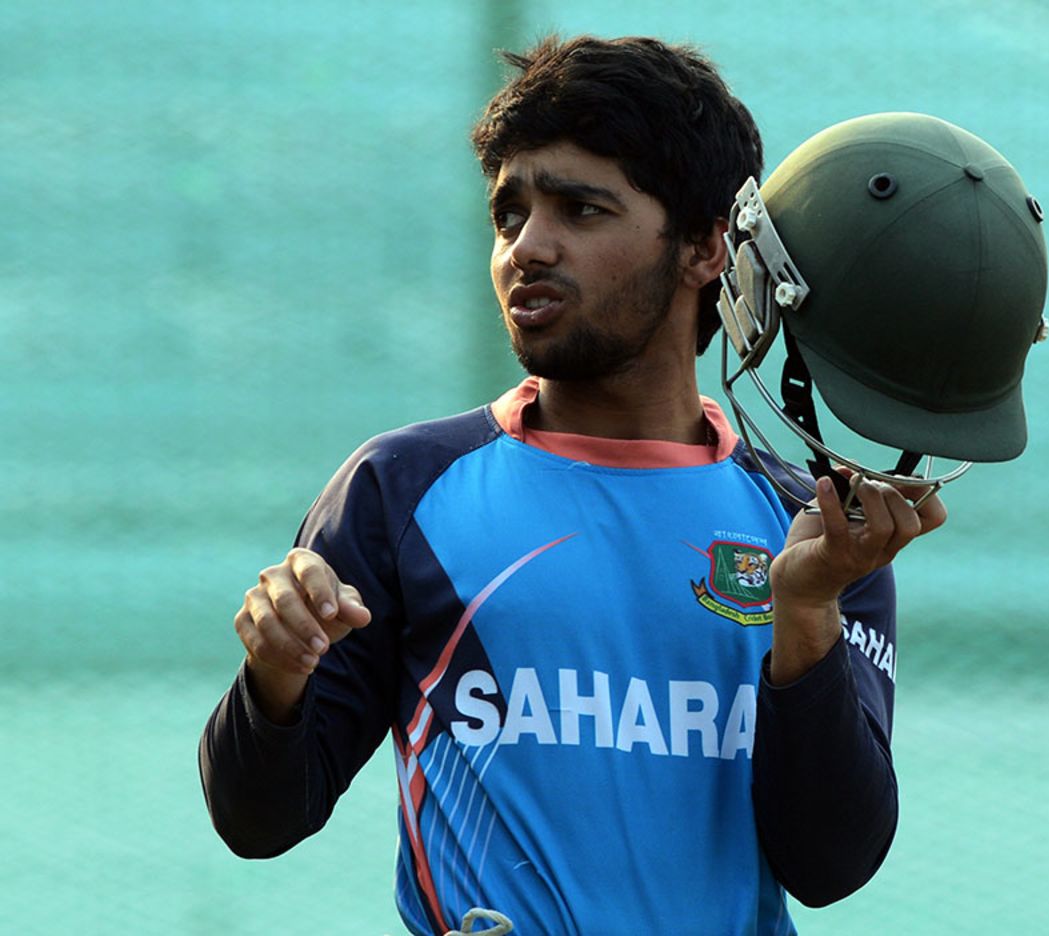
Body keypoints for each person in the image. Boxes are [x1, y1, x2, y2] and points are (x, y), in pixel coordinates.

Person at [200, 35, 946, 936]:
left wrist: (807, 612)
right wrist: (274, 679)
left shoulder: (812, 535)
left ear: (707, 245)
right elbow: (259, 818)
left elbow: (831, 864)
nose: (528, 247)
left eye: (581, 210)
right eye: (509, 213)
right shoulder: (402, 491)